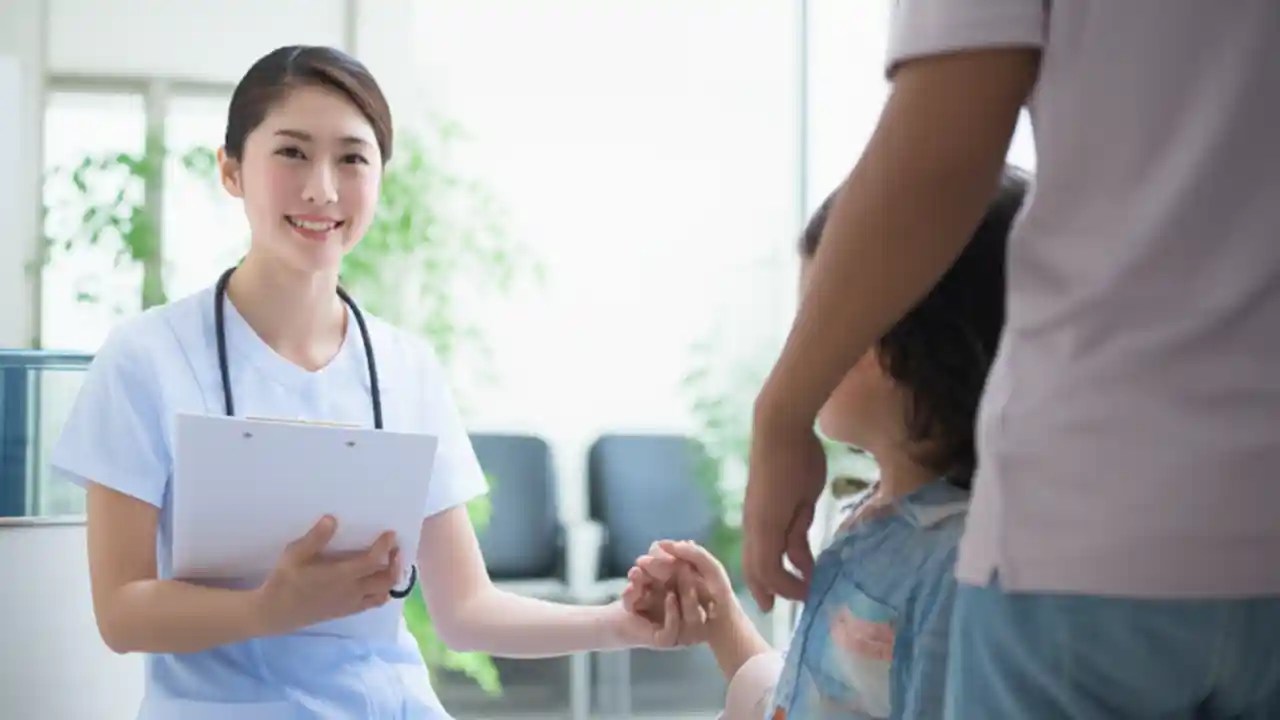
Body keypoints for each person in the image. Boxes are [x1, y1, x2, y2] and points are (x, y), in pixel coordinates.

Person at [50, 45, 682, 720]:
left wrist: (616, 624)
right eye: (291, 153)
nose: (323, 188)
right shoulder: (147, 359)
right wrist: (270, 607)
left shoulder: (405, 368)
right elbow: (122, 613)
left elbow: (465, 610)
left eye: (352, 158)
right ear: (231, 170)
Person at [742, 2, 1280, 718]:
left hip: (1090, 533)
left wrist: (782, 416)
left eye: (826, 309)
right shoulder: (869, 525)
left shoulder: (940, 561)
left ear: (904, 343)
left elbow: (941, 147)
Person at [622, 171, 1026, 719]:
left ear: (895, 343)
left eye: (816, 319)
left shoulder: (963, 569)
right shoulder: (873, 518)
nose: (800, 351)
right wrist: (722, 624)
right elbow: (810, 701)